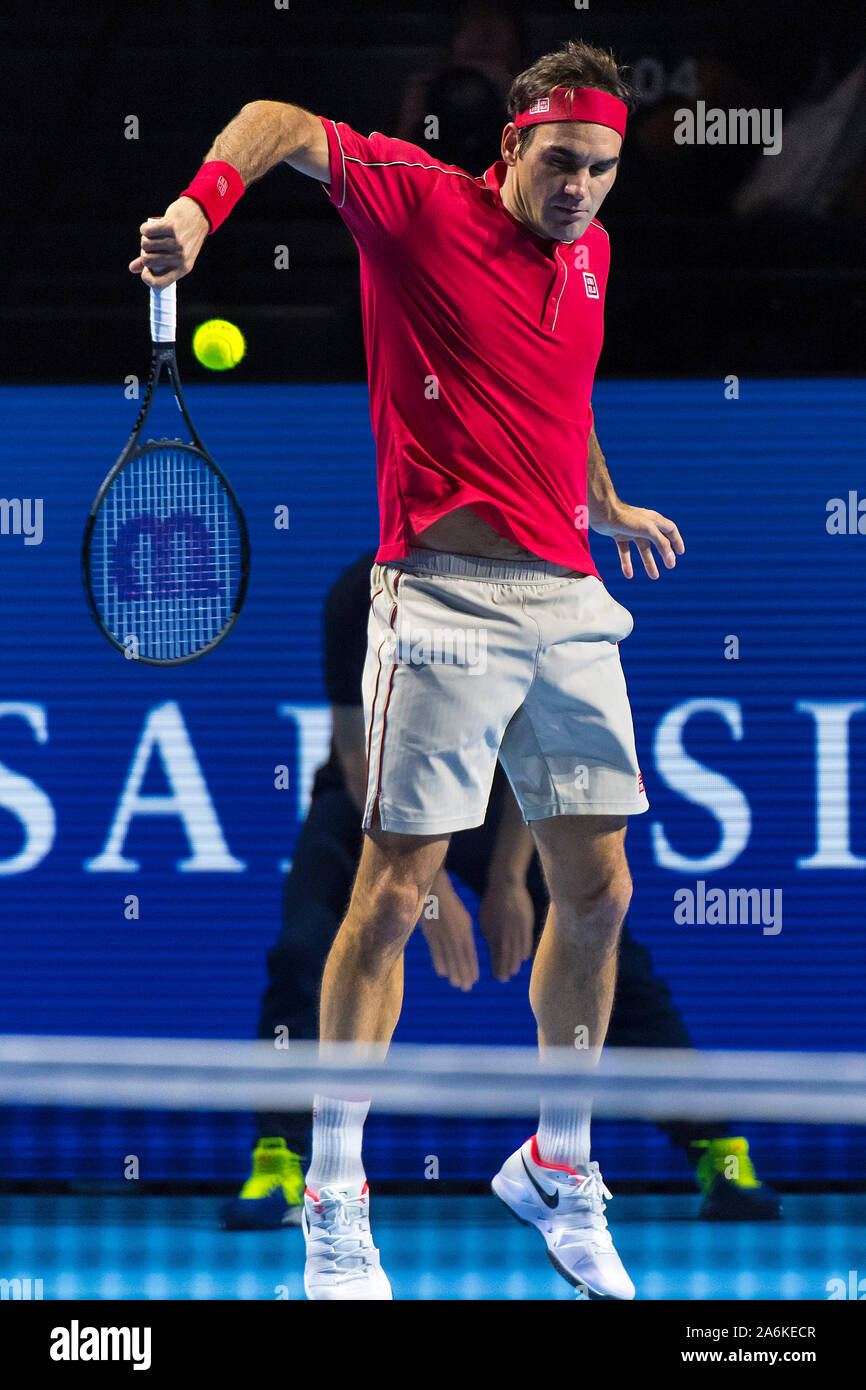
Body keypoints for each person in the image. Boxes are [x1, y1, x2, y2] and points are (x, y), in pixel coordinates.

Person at [131, 38, 691, 1302]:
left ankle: (557, 1163)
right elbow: (273, 111)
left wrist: (599, 499)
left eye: (601, 169)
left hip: (564, 595)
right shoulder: (417, 200)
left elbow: (564, 387)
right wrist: (193, 211)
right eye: (559, 164)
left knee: (596, 892)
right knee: (388, 894)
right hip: (437, 597)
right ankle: (336, 1196)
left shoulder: (590, 253)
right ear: (509, 150)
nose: (580, 189)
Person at [219, 551, 781, 1234]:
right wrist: (427, 895)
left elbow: (532, 750)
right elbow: (353, 751)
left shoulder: (524, 594)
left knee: (600, 933)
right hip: (372, 796)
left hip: (501, 795)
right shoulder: (355, 599)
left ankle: (717, 1149)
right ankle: (280, 1155)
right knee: (307, 945)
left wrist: (509, 879)